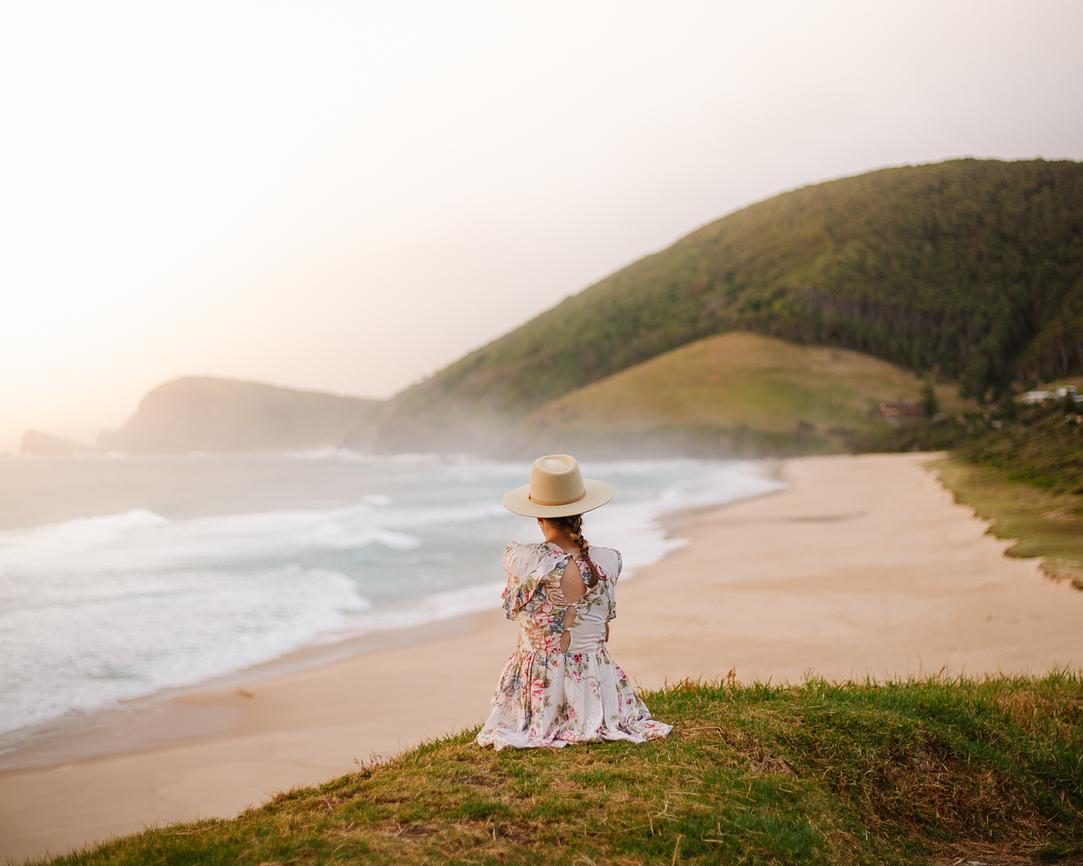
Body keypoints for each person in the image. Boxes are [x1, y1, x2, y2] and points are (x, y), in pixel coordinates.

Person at [475, 453, 673, 750]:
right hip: (595, 681)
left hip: (539, 684)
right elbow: (603, 630)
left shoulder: (521, 560)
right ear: (580, 513)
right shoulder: (608, 560)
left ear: (538, 517)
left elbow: (518, 616)